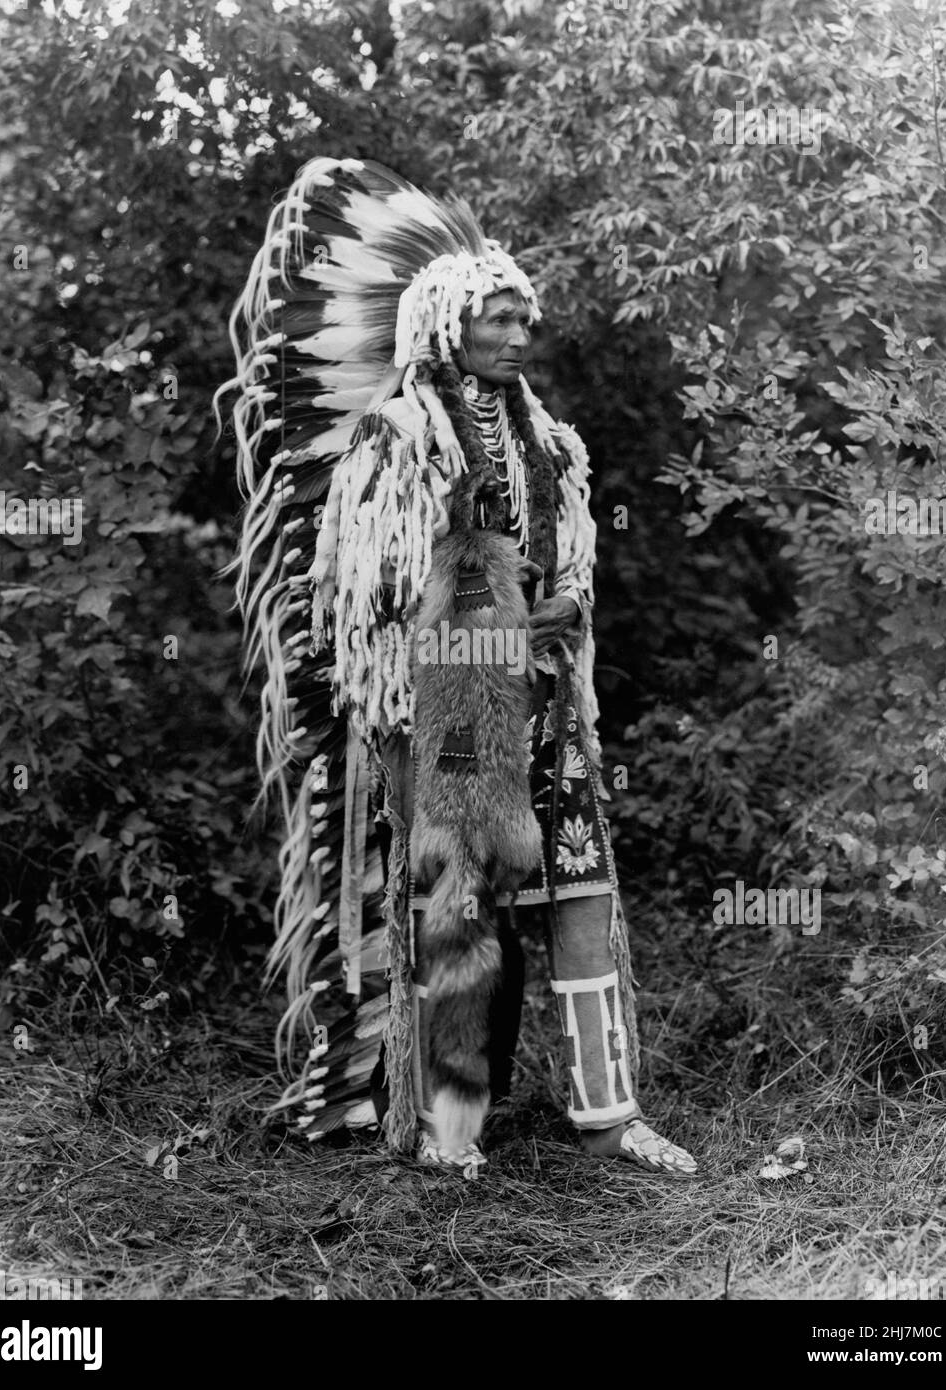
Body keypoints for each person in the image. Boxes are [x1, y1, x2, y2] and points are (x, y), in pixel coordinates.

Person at [219, 157, 697, 1177]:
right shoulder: (392, 442)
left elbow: (574, 560)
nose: (520, 335)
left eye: (526, 320)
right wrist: (429, 681)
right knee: (456, 912)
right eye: (500, 318)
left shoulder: (554, 445)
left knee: (580, 898)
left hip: (545, 713)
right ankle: (450, 1125)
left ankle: (610, 1115)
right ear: (445, 324)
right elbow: (363, 603)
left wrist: (565, 607)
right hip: (446, 723)